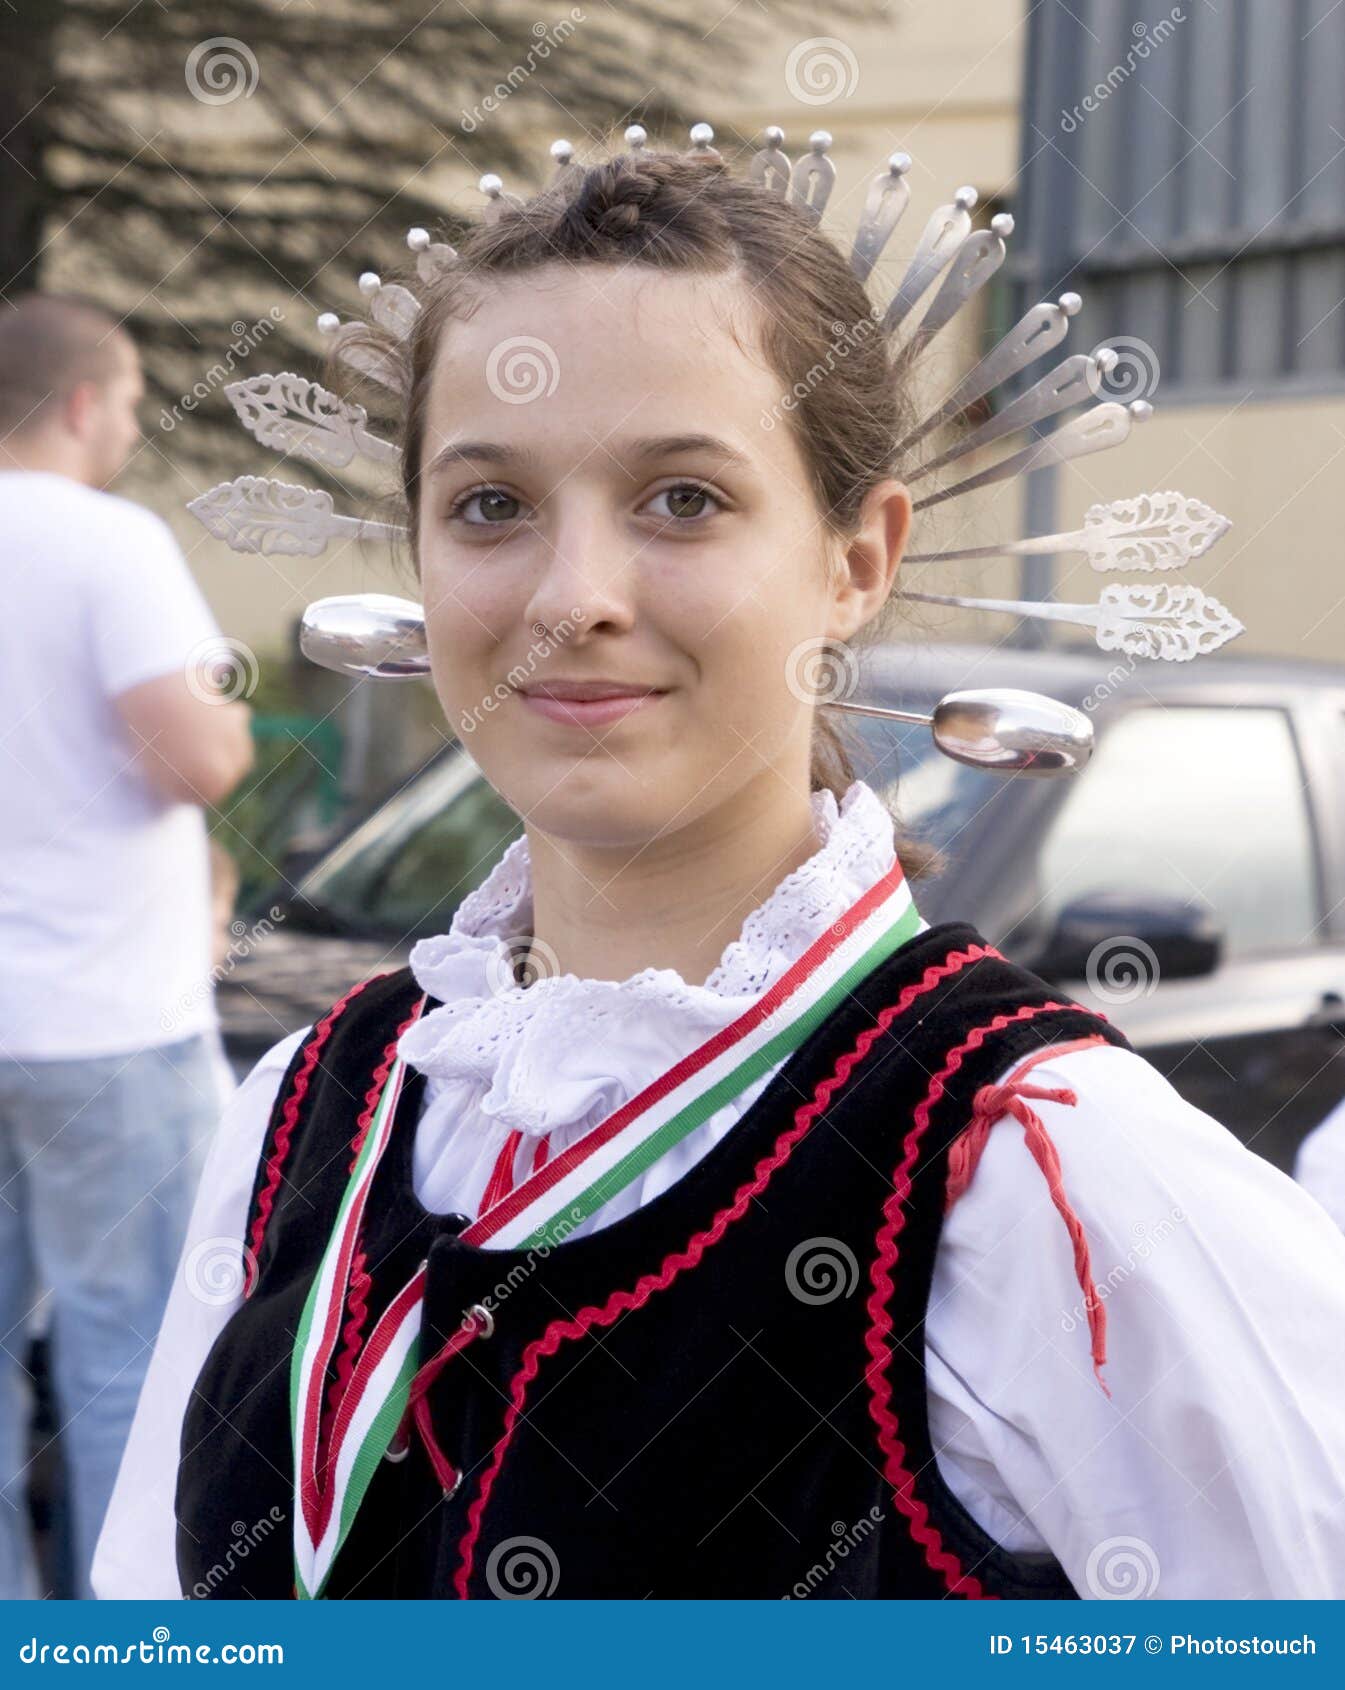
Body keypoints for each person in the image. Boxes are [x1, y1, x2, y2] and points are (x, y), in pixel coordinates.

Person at [93, 147, 1345, 1602]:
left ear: (855, 557)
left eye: (682, 498)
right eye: (490, 506)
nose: (571, 599)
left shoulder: (1036, 1166)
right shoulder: (306, 1110)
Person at [0, 294, 254, 1598]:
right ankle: (124, 1646)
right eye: (137, 401)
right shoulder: (109, 542)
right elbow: (198, 757)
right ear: (85, 403)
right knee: (133, 1370)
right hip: (103, 1028)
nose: (136, 426)